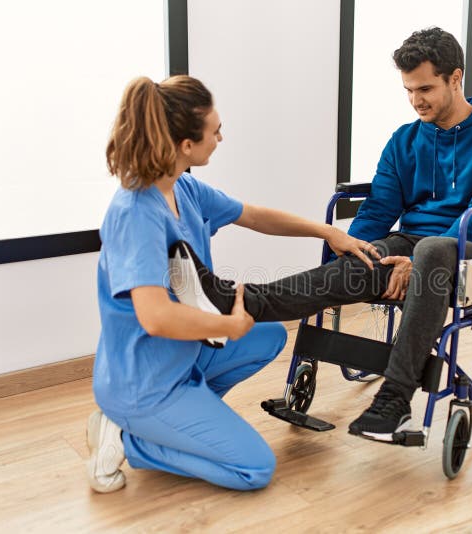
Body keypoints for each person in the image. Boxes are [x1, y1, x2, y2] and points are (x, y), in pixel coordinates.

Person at [184, 26, 472, 443]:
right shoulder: (404, 139)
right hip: (412, 245)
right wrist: (350, 253)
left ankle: (396, 397)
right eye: (408, 90)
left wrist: (419, 259)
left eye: (425, 88)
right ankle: (240, 299)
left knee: (434, 250)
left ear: (456, 78)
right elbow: (381, 209)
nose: (416, 101)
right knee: (365, 255)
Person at [87, 75, 380, 493]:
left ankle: (183, 423)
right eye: (214, 130)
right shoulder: (136, 212)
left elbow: (255, 216)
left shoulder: (180, 186)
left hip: (181, 355)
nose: (221, 137)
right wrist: (226, 327)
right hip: (142, 379)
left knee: (268, 336)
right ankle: (129, 438)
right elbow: (154, 317)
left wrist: (328, 233)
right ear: (186, 145)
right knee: (255, 468)